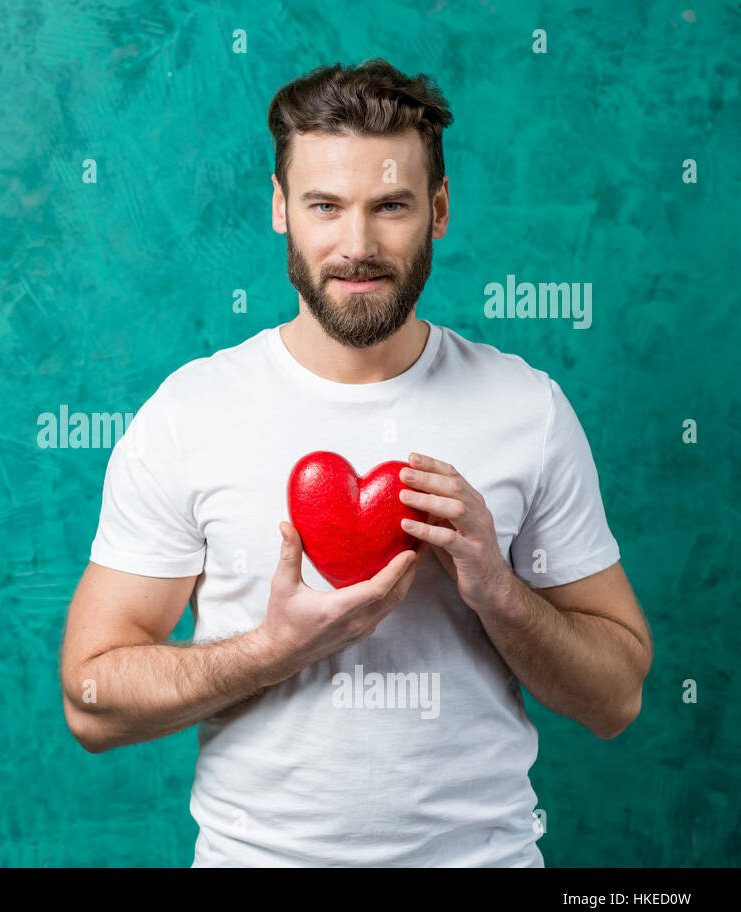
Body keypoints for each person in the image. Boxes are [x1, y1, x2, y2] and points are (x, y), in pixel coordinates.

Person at [59, 59, 652, 867]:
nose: (358, 245)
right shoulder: (189, 414)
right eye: (326, 206)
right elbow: (91, 702)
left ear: (438, 210)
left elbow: (617, 696)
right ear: (279, 209)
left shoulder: (529, 409)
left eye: (392, 206)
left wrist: (499, 592)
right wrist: (274, 649)